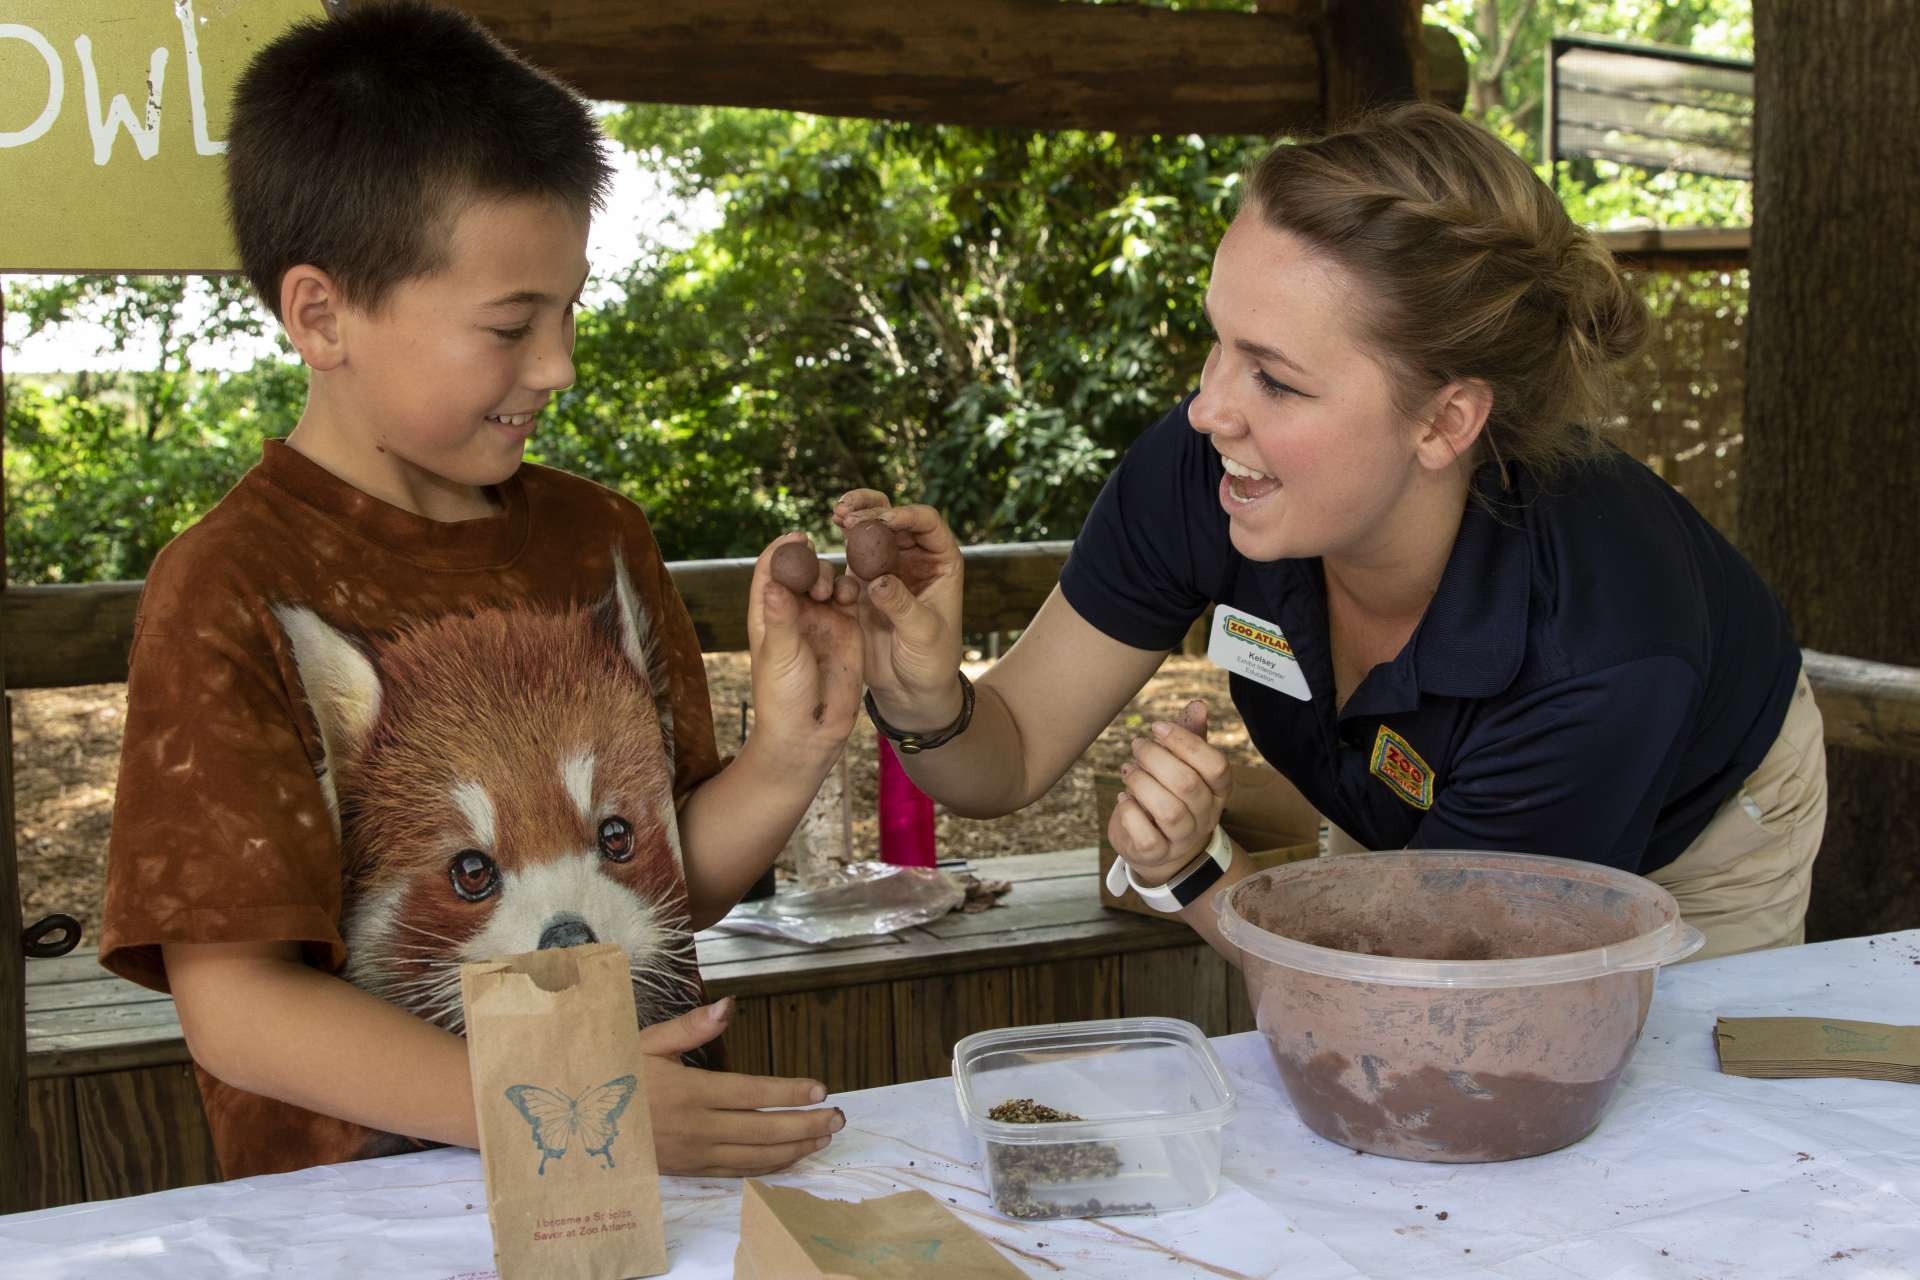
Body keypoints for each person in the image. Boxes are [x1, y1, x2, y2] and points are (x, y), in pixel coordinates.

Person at [97, 1, 858, 1180]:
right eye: (510, 325)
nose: (556, 365)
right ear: (322, 314)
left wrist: (792, 751)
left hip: (646, 1193)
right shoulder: (229, 586)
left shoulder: (600, 539)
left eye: (568, 313)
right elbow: (236, 1004)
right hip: (374, 1219)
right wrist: (564, 1097)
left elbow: (662, 885)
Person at [840, 102, 1825, 966]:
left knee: (1605, 1131)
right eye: (1216, 343)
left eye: (1274, 377)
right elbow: (1004, 759)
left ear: (1446, 421)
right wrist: (924, 696)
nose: (1207, 411)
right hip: (1422, 821)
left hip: (1691, 844)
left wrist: (1189, 874)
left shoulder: (1599, 651)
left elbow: (1416, 1011)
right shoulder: (1215, 468)